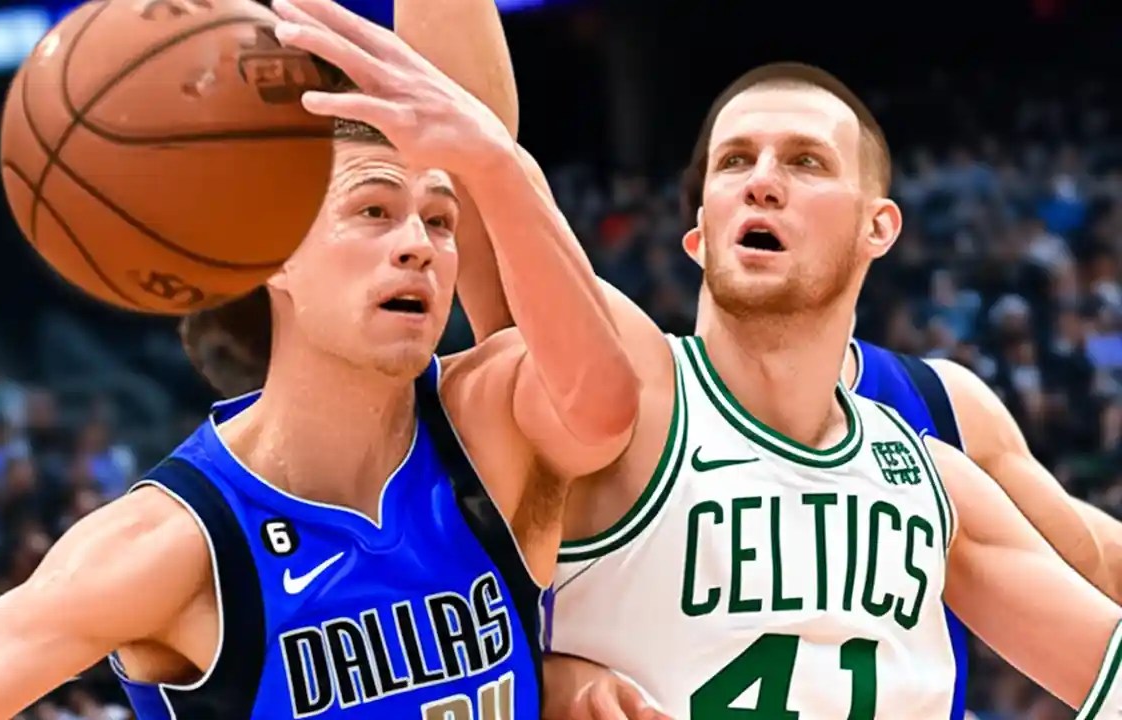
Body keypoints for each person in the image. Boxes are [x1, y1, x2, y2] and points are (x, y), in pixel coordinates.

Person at [0, 0, 638, 718]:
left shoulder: (484, 424)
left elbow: (602, 406)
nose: (418, 247)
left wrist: (498, 166)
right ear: (274, 255)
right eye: (374, 211)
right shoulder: (171, 546)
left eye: (438, 221)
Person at [461, 62, 1122, 719]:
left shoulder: (931, 472)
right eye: (734, 162)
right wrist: (533, 676)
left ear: (879, 228)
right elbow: (474, 167)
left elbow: (1101, 629)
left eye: (805, 162)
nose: (762, 183)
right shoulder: (627, 397)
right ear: (698, 235)